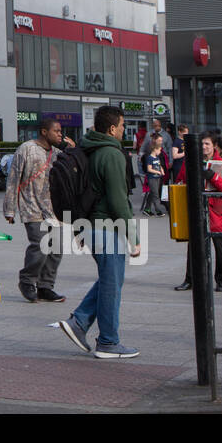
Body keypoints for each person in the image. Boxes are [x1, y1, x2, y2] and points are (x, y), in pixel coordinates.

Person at [57, 105, 142, 359]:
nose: (124, 130)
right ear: (112, 128)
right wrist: (134, 238)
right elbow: (118, 201)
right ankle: (108, 342)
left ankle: (79, 322)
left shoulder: (86, 148)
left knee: (109, 280)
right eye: (123, 126)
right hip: (107, 228)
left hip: (89, 226)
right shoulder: (111, 154)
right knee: (112, 285)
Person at [5, 118, 65, 303]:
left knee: (56, 249)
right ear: (44, 131)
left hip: (53, 209)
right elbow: (14, 177)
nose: (60, 134)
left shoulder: (59, 153)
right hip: (31, 206)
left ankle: (46, 286)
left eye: (61, 131)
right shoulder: (26, 149)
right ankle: (27, 280)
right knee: (40, 246)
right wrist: (10, 209)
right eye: (56, 131)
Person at [174, 133, 222, 292]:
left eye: (207, 144)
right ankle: (191, 279)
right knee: (194, 248)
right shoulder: (190, 163)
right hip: (197, 211)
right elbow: (180, 181)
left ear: (214, 146)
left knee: (221, 247)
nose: (204, 147)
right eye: (202, 144)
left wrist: (214, 177)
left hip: (216, 212)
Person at [141, 134, 166, 216]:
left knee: (153, 193)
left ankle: (147, 209)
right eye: (159, 140)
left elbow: (160, 163)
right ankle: (158, 210)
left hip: (157, 175)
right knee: (155, 194)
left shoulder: (157, 153)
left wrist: (161, 170)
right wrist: (156, 171)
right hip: (152, 175)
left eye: (161, 140)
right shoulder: (150, 152)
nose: (161, 142)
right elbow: (147, 166)